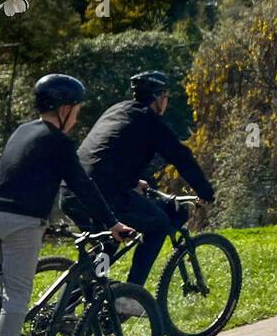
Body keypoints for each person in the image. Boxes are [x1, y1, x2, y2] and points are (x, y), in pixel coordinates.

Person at [0, 74, 134, 336]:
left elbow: (19, 176)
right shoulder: (58, 141)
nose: (77, 118)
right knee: (17, 297)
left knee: (5, 295)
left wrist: (41, 221)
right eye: (76, 110)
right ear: (63, 109)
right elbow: (81, 184)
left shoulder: (23, 130)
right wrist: (112, 223)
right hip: (19, 223)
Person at [60, 70, 214, 290]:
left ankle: (75, 309)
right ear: (159, 98)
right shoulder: (151, 122)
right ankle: (132, 294)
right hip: (102, 193)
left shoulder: (117, 110)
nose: (167, 101)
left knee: (105, 249)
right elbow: (182, 158)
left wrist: (132, 181)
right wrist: (205, 191)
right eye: (166, 96)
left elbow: (107, 152)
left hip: (71, 191)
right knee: (159, 224)